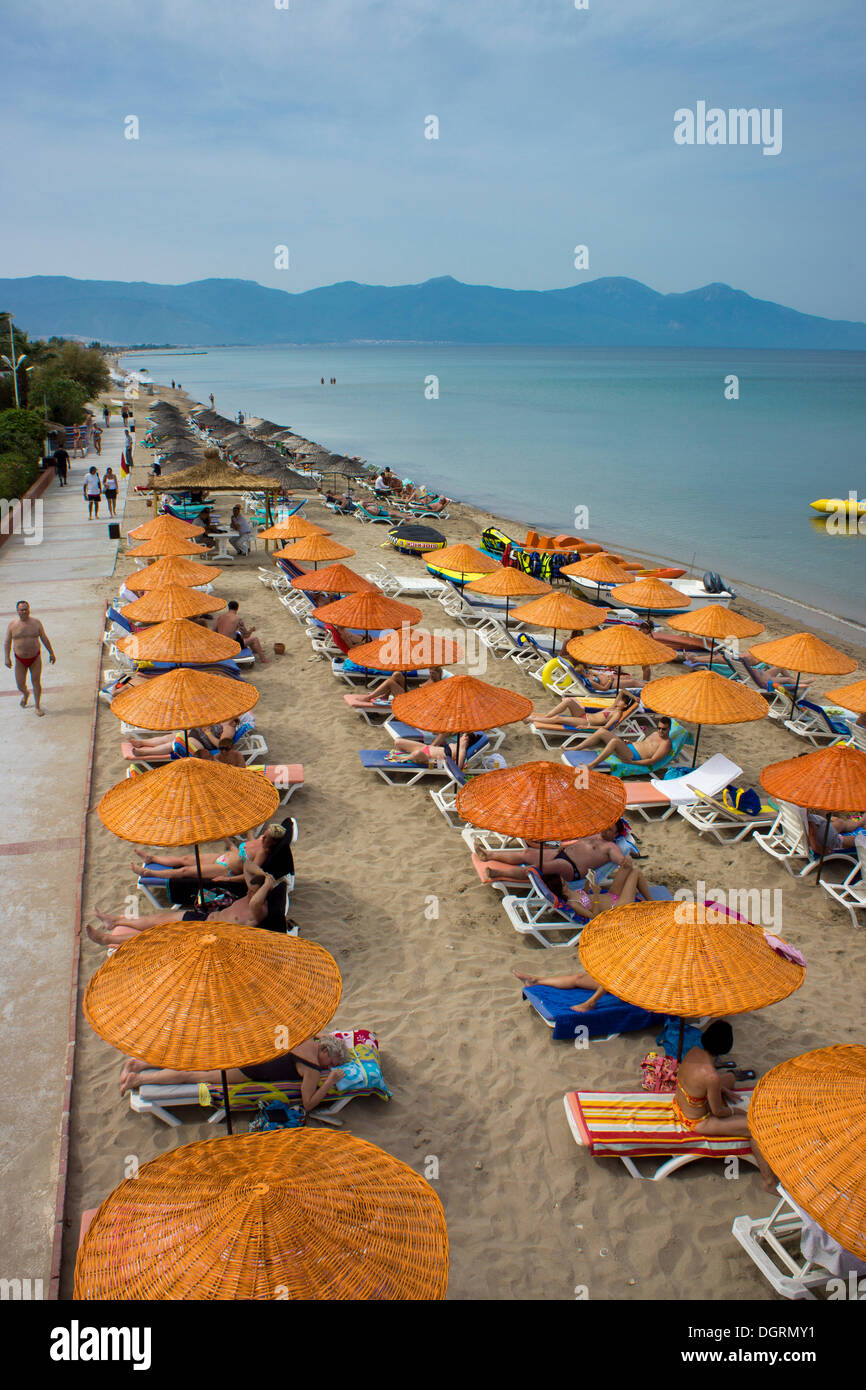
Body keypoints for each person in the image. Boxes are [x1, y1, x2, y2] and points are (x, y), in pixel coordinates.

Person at [117, 1031, 350, 1107]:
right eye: (333, 1063)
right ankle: (137, 1080)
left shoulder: (308, 1035)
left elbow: (322, 1032)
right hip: (251, 1067)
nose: (330, 1068)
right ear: (327, 1053)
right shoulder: (311, 1069)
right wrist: (329, 1082)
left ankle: (139, 1063)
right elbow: (308, 1104)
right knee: (194, 1075)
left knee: (197, 1057)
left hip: (249, 1046)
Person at [673, 1021, 775, 1188]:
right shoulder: (711, 1077)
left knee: (729, 1079)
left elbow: (703, 1081)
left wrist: (722, 1089)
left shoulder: (694, 1052)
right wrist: (735, 1111)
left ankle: (729, 1084)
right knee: (754, 1127)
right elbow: (718, 1112)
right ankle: (768, 1182)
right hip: (697, 1121)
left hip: (682, 1103)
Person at [87, 862, 277, 948]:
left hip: (207, 935)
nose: (249, 891)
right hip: (202, 918)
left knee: (157, 934)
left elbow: (257, 899)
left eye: (253, 890)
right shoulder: (251, 895)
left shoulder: (258, 909)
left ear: (262, 893)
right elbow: (248, 866)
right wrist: (266, 876)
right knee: (158, 919)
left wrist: (267, 884)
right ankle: (115, 921)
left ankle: (105, 939)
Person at [132, 823, 286, 886]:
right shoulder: (260, 840)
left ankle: (148, 872)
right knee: (184, 859)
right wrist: (246, 829)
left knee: (185, 871)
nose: (263, 837)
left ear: (273, 842)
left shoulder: (262, 854)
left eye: (266, 837)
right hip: (225, 855)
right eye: (264, 834)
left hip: (226, 869)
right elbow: (247, 842)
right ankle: (151, 858)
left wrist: (227, 879)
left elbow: (250, 876)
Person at [473, 822, 628, 884]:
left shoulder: (611, 847)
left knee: (539, 867)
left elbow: (620, 859)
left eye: (610, 830)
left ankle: (496, 873)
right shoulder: (594, 834)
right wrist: (559, 846)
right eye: (606, 827)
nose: (605, 831)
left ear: (616, 835)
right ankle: (489, 855)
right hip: (561, 853)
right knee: (527, 853)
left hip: (571, 868)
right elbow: (573, 842)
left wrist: (623, 861)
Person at [4, 599, 56, 715]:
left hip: (35, 658)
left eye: (26, 609)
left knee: (36, 682)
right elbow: (7, 642)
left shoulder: (36, 623)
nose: (24, 612)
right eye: (21, 610)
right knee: (20, 684)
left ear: (29, 609)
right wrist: (7, 658)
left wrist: (51, 653)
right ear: (17, 611)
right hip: (20, 660)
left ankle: (37, 706)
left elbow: (44, 638)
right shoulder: (12, 625)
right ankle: (25, 693)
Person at [570, 715, 673, 770]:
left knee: (614, 741)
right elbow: (644, 745)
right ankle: (576, 748)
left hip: (632, 756)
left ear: (669, 729)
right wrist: (631, 742)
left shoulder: (666, 744)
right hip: (628, 748)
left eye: (663, 729)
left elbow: (652, 761)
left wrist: (632, 763)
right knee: (602, 731)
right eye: (659, 728)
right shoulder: (655, 733)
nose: (660, 731)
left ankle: (591, 765)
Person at [530, 690, 639, 733]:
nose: (618, 700)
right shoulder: (614, 707)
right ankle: (547, 716)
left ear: (624, 705)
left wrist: (588, 727)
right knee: (568, 700)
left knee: (558, 719)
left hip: (586, 722)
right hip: (583, 715)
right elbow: (622, 691)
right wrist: (634, 696)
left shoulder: (617, 713)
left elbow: (607, 728)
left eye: (621, 701)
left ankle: (531, 719)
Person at [344, 667, 443, 707]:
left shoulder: (439, 684)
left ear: (440, 674)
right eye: (430, 672)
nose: (431, 675)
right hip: (412, 694)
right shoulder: (431, 679)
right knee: (397, 674)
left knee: (390, 683)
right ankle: (385, 696)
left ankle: (368, 698)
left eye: (433, 673)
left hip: (413, 701)